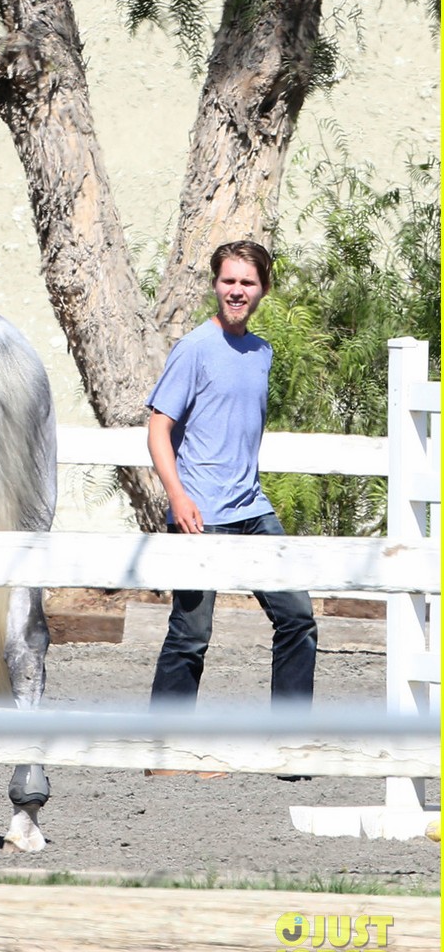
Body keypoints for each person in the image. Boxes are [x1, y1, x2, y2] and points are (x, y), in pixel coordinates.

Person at [146, 239, 317, 712]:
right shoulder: (195, 348)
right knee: (191, 635)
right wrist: (178, 498)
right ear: (215, 285)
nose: (237, 291)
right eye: (229, 281)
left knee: (298, 617)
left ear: (263, 289)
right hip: (200, 514)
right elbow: (158, 429)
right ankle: (167, 752)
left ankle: (288, 741)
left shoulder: (262, 353)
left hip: (253, 509)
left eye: (248, 282)